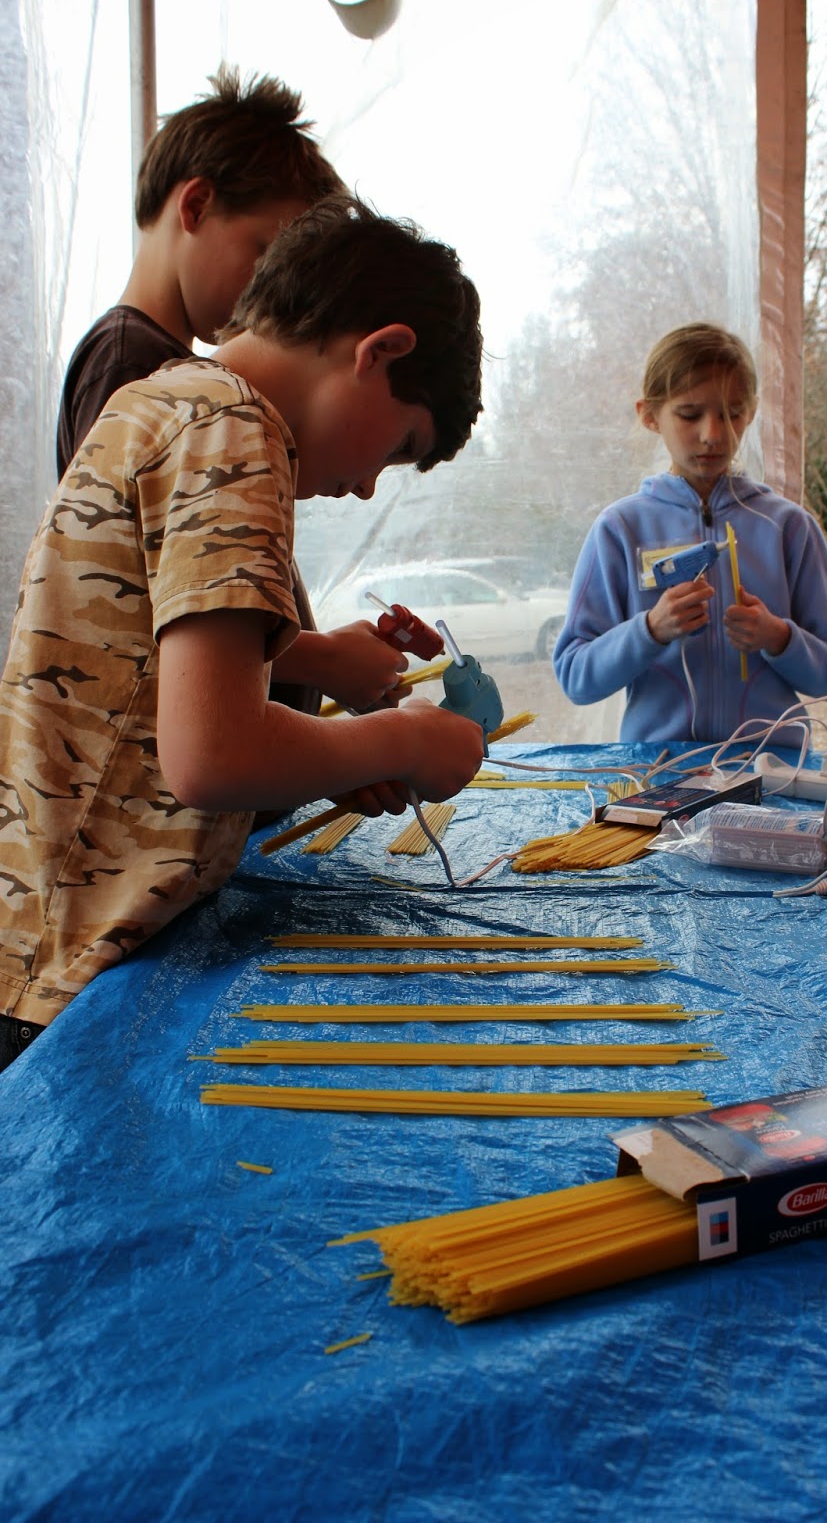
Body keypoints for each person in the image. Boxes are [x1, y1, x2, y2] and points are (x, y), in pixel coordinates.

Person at [0, 193, 485, 1070]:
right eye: (398, 446)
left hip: (41, 940)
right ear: (382, 350)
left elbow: (154, 690)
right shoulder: (239, 429)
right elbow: (213, 755)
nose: (371, 485)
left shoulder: (166, 400)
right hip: (69, 969)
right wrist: (402, 739)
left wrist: (349, 754)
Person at [54, 66, 399, 721]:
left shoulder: (180, 375)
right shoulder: (136, 368)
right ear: (196, 207)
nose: (279, 293)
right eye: (268, 256)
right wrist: (322, 660)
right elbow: (144, 602)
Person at [553, 323, 827, 745]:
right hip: (660, 772)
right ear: (649, 414)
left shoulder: (789, 527)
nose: (713, 434)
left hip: (774, 770)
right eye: (690, 414)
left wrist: (778, 637)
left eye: (732, 413)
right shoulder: (620, 530)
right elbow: (575, 676)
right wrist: (650, 629)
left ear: (750, 411)